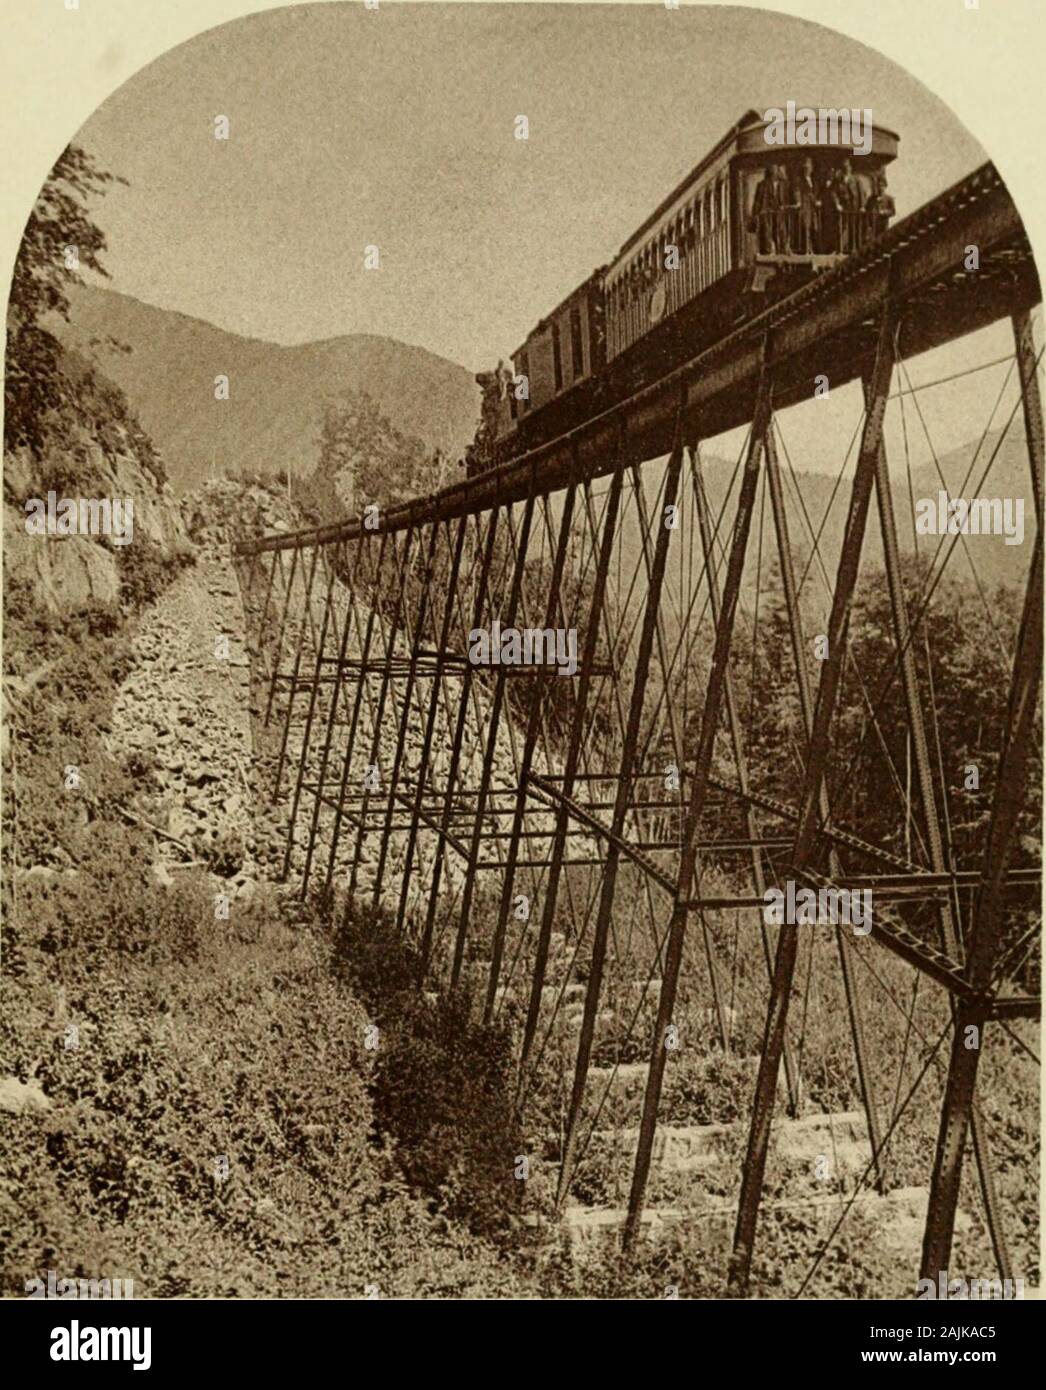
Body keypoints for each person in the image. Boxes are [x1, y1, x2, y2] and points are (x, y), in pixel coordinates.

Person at [792, 157, 821, 255]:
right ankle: (806, 249)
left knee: (814, 228)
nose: (807, 169)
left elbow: (816, 194)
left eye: (809, 167)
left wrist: (817, 201)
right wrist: (798, 201)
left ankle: (812, 249)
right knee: (805, 227)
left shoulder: (814, 181)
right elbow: (796, 191)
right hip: (805, 207)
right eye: (806, 167)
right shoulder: (799, 180)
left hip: (813, 209)